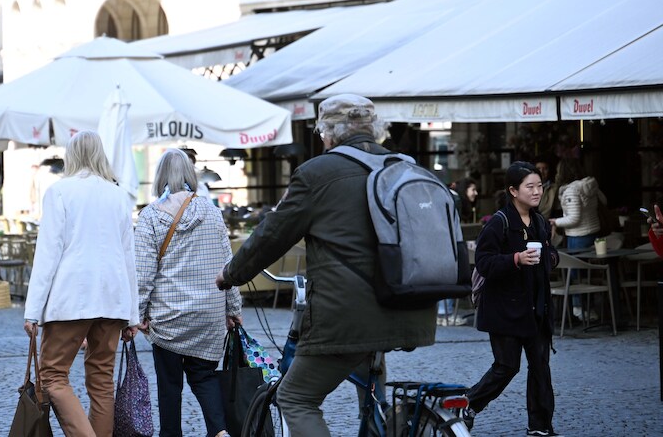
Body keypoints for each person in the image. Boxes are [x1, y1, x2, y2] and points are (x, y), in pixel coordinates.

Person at [215, 94, 436, 437]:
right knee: (372, 394)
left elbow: (273, 234)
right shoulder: (405, 166)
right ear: (374, 130)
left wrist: (231, 274)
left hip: (346, 314)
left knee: (296, 397)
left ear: (328, 133)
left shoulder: (317, 173)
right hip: (411, 305)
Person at [23, 131, 139, 437]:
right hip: (113, 299)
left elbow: (48, 253)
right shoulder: (119, 195)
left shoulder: (60, 192)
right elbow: (129, 257)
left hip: (70, 298)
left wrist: (32, 310)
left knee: (52, 376)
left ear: (70, 156)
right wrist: (133, 314)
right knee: (102, 381)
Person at [135, 149, 240, 437]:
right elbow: (229, 264)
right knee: (204, 377)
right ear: (190, 175)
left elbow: (143, 273)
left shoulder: (150, 216)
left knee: (169, 386)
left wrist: (138, 314)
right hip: (208, 314)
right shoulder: (212, 212)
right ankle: (220, 432)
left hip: (169, 317)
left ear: (160, 177)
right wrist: (233, 309)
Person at [465, 162, 559, 436]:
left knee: (541, 367)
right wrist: (515, 259)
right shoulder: (499, 223)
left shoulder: (540, 221)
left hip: (537, 308)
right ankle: (468, 405)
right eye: (530, 186)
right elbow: (483, 262)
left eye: (539, 185)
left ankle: (540, 426)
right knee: (506, 367)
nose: (537, 191)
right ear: (513, 191)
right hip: (505, 309)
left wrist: (550, 257)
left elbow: (551, 254)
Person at [550, 158, 606, 321]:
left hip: (578, 236)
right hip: (593, 233)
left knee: (574, 274)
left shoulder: (571, 190)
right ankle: (589, 309)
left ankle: (579, 309)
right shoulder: (589, 185)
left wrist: (555, 222)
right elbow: (604, 201)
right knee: (586, 274)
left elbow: (574, 218)